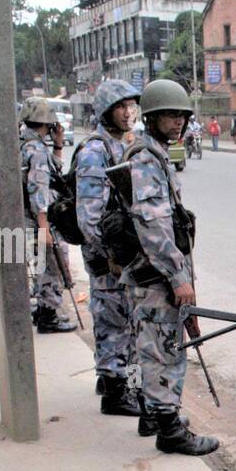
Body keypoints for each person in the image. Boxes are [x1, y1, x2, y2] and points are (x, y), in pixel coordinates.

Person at [120, 79, 219, 455]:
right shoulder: (146, 159)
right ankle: (169, 430)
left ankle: (157, 415)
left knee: (158, 347)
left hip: (155, 273)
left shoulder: (155, 154)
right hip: (157, 275)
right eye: (169, 115)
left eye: (181, 115)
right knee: (165, 350)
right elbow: (152, 223)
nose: (178, 122)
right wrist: (179, 277)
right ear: (151, 117)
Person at [74, 78, 144, 421]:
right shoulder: (95, 151)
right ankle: (116, 392)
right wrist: (110, 256)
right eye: (121, 106)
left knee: (120, 321)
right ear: (106, 111)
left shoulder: (118, 145)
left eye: (130, 106)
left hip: (119, 254)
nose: (128, 112)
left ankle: (111, 379)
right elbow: (89, 215)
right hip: (107, 258)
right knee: (114, 322)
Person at [19, 99, 78, 333]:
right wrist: (44, 226)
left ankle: (44, 309)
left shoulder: (25, 143)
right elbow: (39, 187)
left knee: (45, 264)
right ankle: (48, 315)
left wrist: (58, 145)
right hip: (37, 219)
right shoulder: (35, 149)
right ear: (49, 122)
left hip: (28, 217)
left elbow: (52, 173)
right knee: (53, 263)